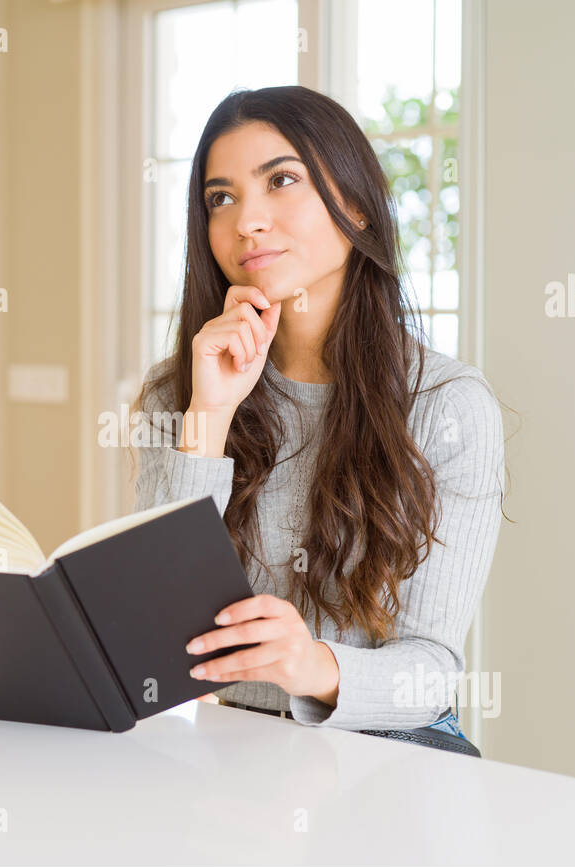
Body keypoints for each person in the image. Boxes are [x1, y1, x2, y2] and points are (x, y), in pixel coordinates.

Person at [130, 86, 509, 744]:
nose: (247, 220)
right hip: (236, 748)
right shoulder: (181, 394)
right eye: (221, 197)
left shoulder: (449, 406)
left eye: (280, 180)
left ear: (356, 205)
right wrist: (210, 418)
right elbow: (153, 622)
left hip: (391, 753)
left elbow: (431, 673)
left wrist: (310, 664)